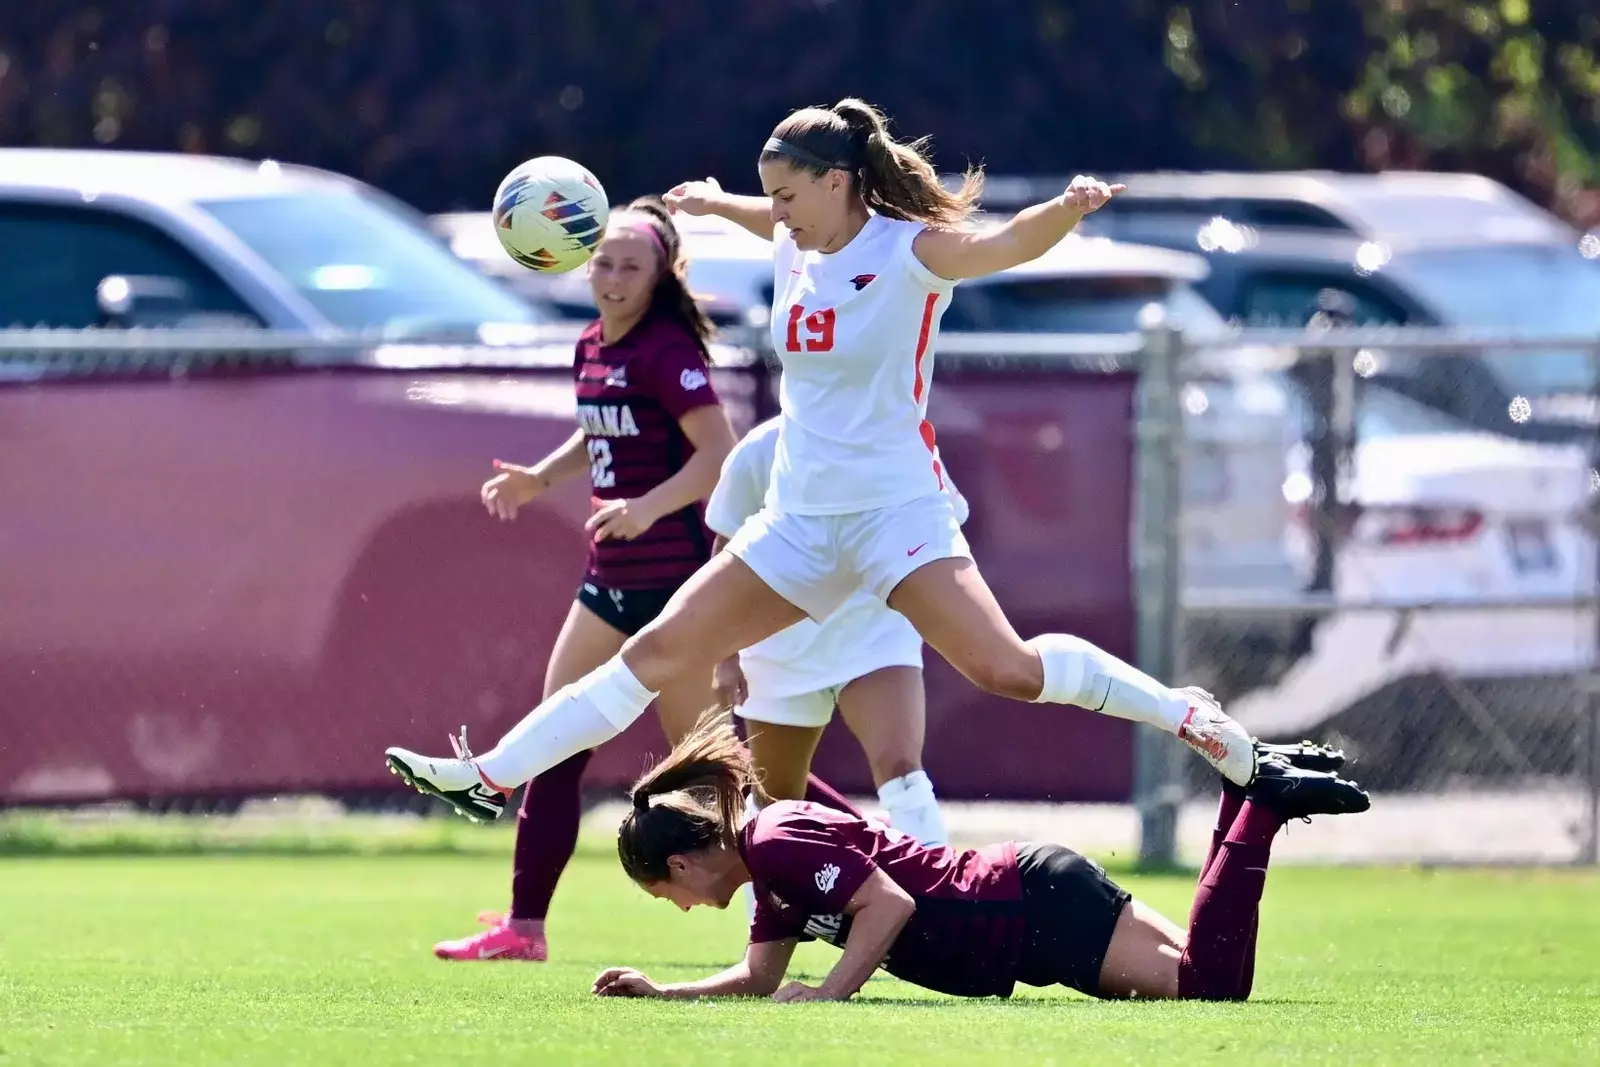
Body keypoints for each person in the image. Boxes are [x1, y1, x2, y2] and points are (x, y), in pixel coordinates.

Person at [385, 97, 1257, 825]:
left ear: (838, 183)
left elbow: (1002, 247)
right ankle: (489, 774)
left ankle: (1183, 711)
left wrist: (1066, 209)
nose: (778, 212)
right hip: (799, 520)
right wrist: (714, 203)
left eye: (788, 194)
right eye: (771, 197)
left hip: (895, 512)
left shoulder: (908, 251)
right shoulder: (796, 239)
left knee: (1007, 669)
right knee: (658, 652)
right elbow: (762, 217)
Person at [430, 198, 855, 963]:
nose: (614, 277)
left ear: (661, 276)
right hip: (609, 581)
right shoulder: (592, 342)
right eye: (604, 262)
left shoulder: (666, 350)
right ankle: (524, 927)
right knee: (556, 741)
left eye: (632, 266)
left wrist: (646, 506)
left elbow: (718, 453)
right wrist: (539, 478)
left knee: (725, 770)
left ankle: (870, 857)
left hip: (673, 587)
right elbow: (598, 425)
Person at [591, 719, 1368, 1003]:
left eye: (664, 894)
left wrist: (828, 993)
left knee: (1210, 988)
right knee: (1207, 973)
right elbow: (760, 977)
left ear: (683, 865)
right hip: (1031, 892)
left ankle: (1259, 804)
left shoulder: (773, 841)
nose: (680, 907)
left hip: (1026, 908)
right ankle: (1248, 789)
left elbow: (889, 904)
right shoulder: (770, 869)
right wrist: (663, 989)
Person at [708, 416, 962, 847]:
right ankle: (768, 895)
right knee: (775, 805)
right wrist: (725, 655)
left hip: (875, 632)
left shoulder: (901, 437)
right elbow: (725, 555)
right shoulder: (759, 449)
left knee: (903, 774)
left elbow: (942, 530)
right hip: (779, 648)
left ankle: (943, 890)